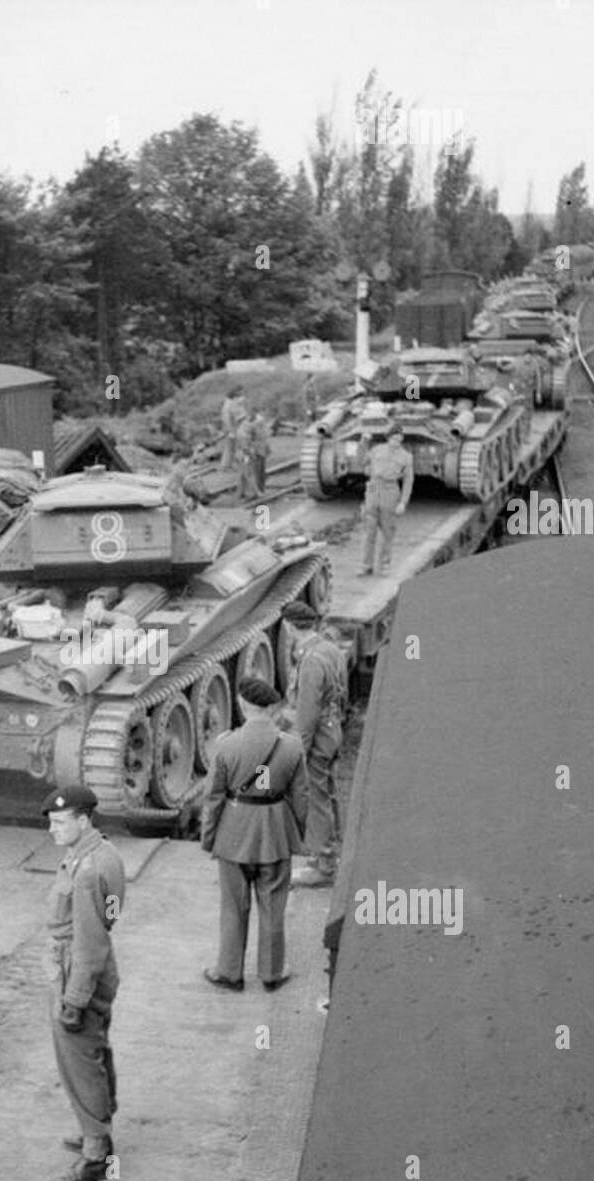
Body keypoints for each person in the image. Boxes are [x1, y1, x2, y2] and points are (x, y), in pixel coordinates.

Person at [41, 783, 124, 1181]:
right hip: (90, 968)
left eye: (60, 822)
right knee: (94, 1050)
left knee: (79, 1060)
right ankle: (98, 1127)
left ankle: (96, 1154)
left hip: (79, 972)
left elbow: (90, 943)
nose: (53, 831)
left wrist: (73, 999)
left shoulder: (88, 871)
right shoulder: (99, 853)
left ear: (83, 820)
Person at [200, 676, 308, 992]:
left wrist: (210, 838)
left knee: (233, 907)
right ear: (272, 708)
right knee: (274, 905)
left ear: (242, 705)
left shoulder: (226, 744)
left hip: (233, 833)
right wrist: (295, 834)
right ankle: (272, 973)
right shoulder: (291, 745)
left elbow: (213, 797)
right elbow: (302, 797)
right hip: (275, 833)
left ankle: (229, 972)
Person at [280, 602, 350, 889]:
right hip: (332, 731)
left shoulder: (310, 660)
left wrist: (298, 748)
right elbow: (341, 694)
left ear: (289, 626)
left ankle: (321, 866)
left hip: (317, 737)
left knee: (316, 799)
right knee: (329, 793)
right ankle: (333, 853)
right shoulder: (330, 649)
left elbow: (307, 713)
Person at [359, 421, 414, 576]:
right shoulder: (376, 450)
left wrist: (403, 502)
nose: (396, 442)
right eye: (393, 438)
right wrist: (363, 443)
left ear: (402, 440)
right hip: (373, 489)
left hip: (390, 491)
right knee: (369, 531)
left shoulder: (406, 457)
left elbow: (408, 481)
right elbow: (362, 460)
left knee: (388, 532)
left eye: (399, 439)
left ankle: (384, 564)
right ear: (388, 438)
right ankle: (366, 565)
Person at [220, 386, 248, 475]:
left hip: (231, 427)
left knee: (231, 447)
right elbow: (228, 418)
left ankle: (229, 465)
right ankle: (226, 466)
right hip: (231, 428)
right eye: (239, 394)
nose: (242, 396)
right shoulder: (229, 405)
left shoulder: (229, 403)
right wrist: (231, 430)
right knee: (230, 448)